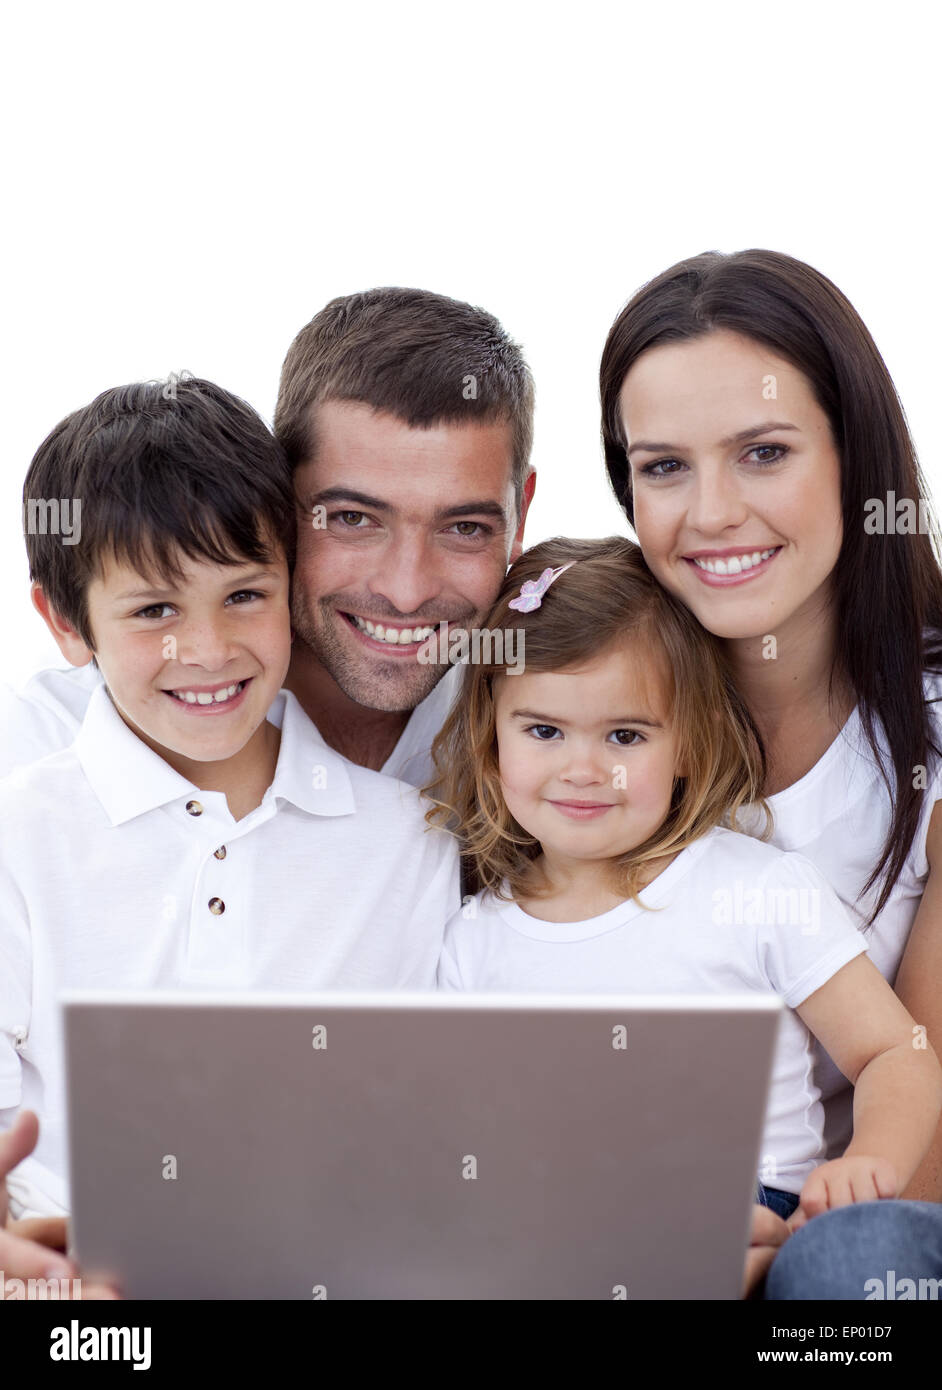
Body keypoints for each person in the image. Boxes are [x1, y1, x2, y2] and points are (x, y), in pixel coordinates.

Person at [0, 378, 459, 1235]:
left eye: (244, 595)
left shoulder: (410, 841)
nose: (206, 650)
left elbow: (428, 1119)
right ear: (65, 621)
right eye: (153, 609)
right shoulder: (20, 838)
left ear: (291, 584)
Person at [428, 537, 942, 1240]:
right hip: (572, 1216)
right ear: (491, 744)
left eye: (626, 736)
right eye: (544, 730)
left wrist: (869, 1164)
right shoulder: (473, 939)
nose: (585, 769)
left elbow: (893, 1051)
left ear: (688, 748)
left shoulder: (759, 890)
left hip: (753, 1203)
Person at [599, 247, 942, 1297]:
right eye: (663, 466)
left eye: (762, 452)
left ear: (856, 457)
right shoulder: (582, 722)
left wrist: (764, 1258)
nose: (709, 512)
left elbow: (922, 1151)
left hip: (850, 1246)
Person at [2, 287, 537, 786]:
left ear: (522, 512)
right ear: (277, 496)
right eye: (353, 519)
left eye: (465, 528)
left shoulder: (555, 723)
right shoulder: (46, 750)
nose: (406, 591)